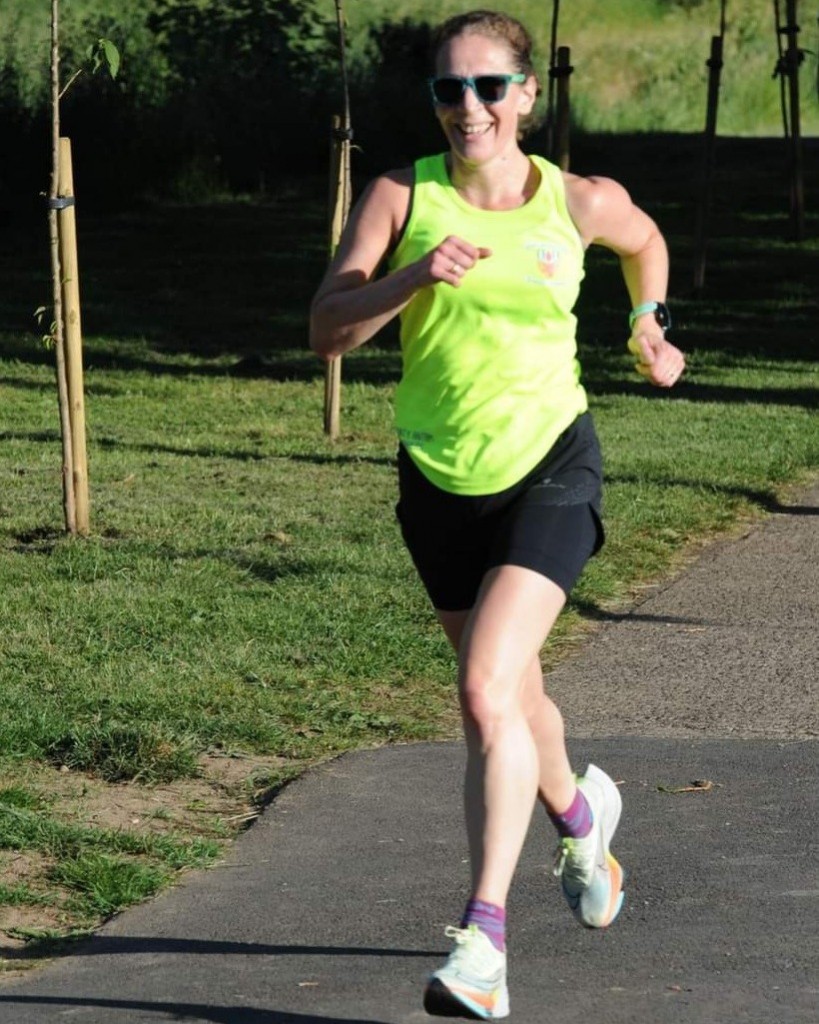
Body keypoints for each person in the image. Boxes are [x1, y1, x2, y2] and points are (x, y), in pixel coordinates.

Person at [310, 9, 685, 1020]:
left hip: (551, 467)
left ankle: (483, 943)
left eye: (486, 88)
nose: (465, 107)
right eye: (447, 89)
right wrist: (409, 276)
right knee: (512, 697)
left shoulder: (578, 200)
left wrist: (647, 325)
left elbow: (645, 242)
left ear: (525, 95)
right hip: (438, 482)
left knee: (483, 692)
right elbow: (326, 332)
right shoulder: (400, 194)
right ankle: (580, 812)